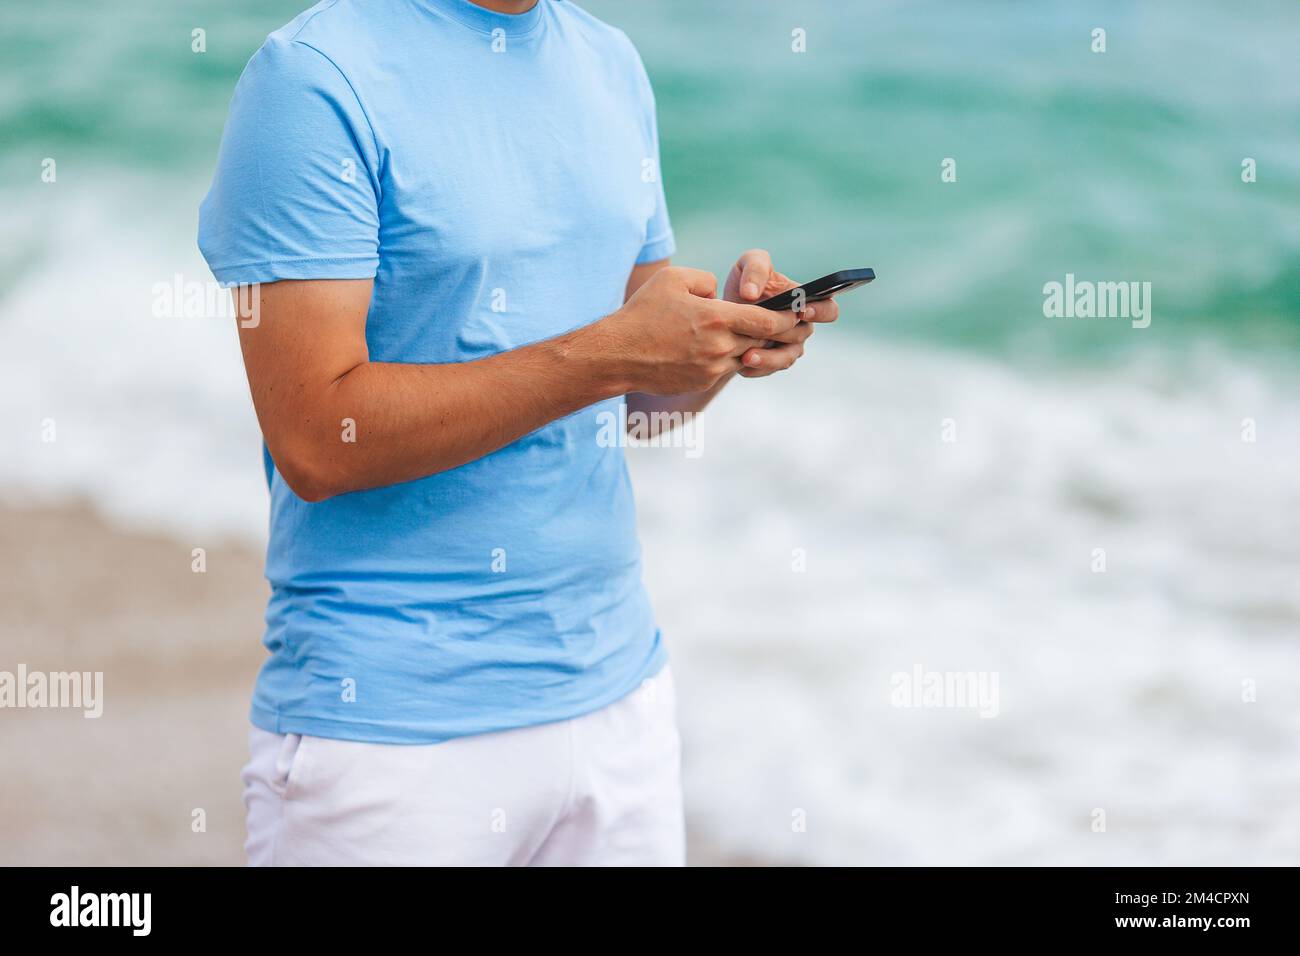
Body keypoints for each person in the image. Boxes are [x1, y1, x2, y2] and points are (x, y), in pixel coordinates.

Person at [198, 0, 837, 866]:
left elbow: (632, 397)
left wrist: (718, 342)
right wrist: (612, 354)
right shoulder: (313, 79)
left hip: (620, 703)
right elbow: (315, 436)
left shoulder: (610, 63)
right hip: (393, 733)